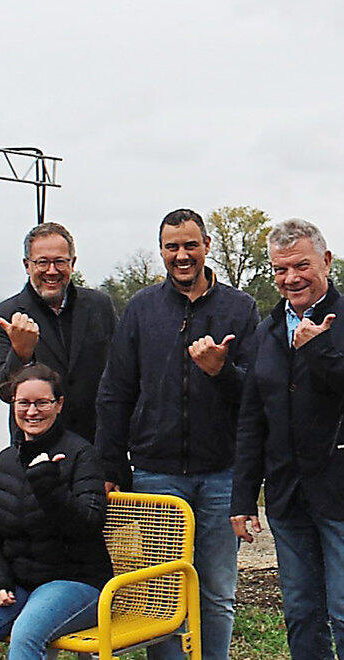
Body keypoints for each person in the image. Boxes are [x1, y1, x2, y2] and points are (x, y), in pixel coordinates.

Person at [97, 208, 260, 660]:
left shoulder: (239, 308)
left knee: (215, 590)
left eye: (191, 245)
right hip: (155, 473)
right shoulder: (142, 309)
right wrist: (111, 464)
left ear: (207, 247)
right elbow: (115, 390)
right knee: (161, 595)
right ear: (161, 251)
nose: (182, 255)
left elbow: (256, 393)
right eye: (173, 246)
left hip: (220, 473)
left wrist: (221, 371)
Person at [231, 218, 344, 660]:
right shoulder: (265, 332)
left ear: (326, 261)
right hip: (287, 497)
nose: (291, 278)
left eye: (301, 265)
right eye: (280, 270)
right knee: (300, 612)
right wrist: (243, 499)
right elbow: (251, 420)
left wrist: (320, 351)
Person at [0, 364, 113, 660]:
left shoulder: (82, 454)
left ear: (59, 405)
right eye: (24, 403)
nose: (32, 412)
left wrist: (49, 486)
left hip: (75, 581)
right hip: (18, 582)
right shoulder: (5, 460)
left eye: (42, 403)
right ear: (13, 405)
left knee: (25, 637)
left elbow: (89, 524)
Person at [0, 222, 117, 442]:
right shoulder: (3, 317)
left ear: (72, 263)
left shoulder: (99, 306)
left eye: (60, 262)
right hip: (37, 450)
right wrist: (20, 353)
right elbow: (5, 392)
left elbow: (120, 372)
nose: (51, 271)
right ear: (27, 265)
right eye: (42, 262)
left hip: (97, 445)